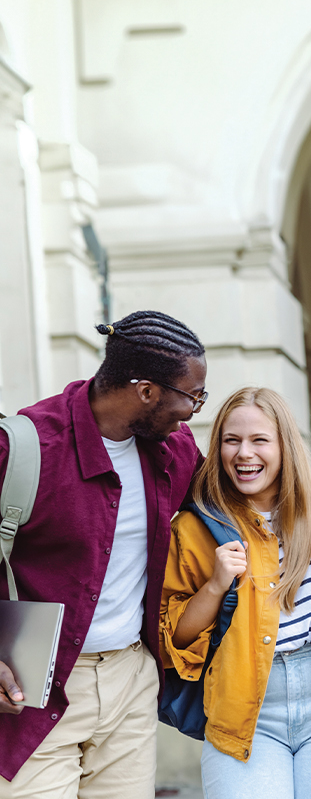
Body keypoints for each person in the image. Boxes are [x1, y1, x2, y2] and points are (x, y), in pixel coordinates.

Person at [161, 387, 311, 799]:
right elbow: (178, 643)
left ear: (285, 446)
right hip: (245, 715)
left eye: (259, 440)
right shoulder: (195, 529)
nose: (244, 453)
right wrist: (216, 585)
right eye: (231, 440)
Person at [0, 310, 207, 797]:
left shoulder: (174, 452)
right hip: (32, 694)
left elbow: (241, 507)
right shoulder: (25, 448)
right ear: (146, 391)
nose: (195, 410)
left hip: (131, 681)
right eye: (192, 396)